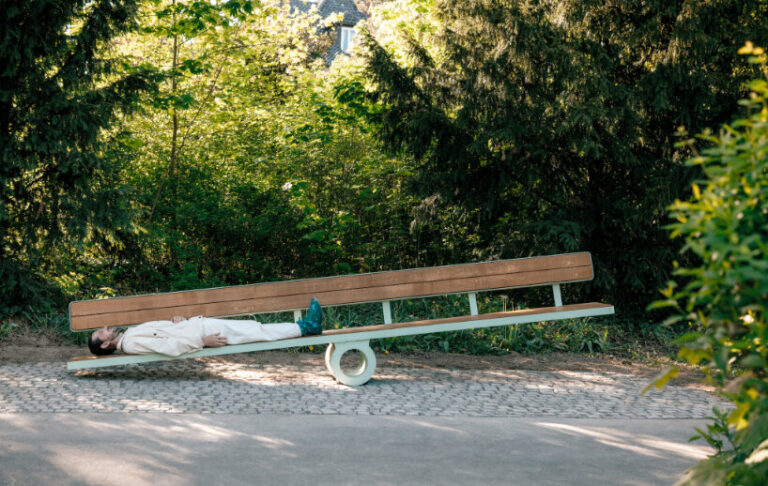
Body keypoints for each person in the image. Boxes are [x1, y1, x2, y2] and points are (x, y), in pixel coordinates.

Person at [88, 298, 324, 357]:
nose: (106, 327)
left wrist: (175, 323)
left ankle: (304, 326)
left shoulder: (129, 337)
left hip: (196, 327)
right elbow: (168, 347)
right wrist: (203, 342)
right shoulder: (129, 343)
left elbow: (164, 335)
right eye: (102, 332)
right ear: (107, 343)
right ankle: (306, 327)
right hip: (203, 333)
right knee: (257, 331)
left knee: (255, 328)